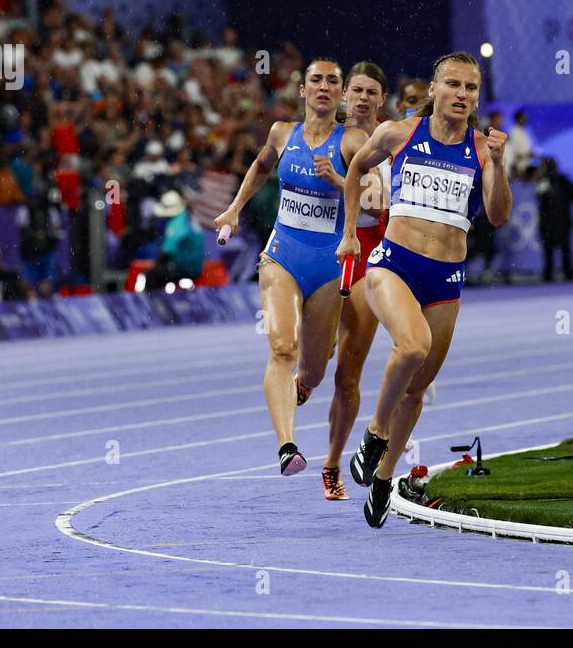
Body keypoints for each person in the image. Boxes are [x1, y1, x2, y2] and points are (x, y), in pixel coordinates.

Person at [337, 52, 511, 528]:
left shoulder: (481, 148)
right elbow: (355, 171)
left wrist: (498, 163)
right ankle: (374, 434)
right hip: (393, 264)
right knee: (413, 346)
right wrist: (350, 232)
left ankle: (384, 480)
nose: (461, 94)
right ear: (432, 89)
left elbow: (497, 215)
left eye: (470, 88)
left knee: (417, 388)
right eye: (452, 84)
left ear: (477, 97)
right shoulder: (399, 133)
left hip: (446, 279)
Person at [215, 57, 367, 477]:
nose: (323, 87)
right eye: (315, 80)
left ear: (340, 93)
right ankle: (287, 446)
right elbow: (262, 165)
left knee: (315, 368)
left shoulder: (353, 140)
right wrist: (233, 209)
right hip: (283, 253)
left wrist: (340, 185)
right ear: (301, 90)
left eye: (332, 82)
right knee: (283, 347)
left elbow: (373, 191)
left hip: (329, 264)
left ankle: (304, 384)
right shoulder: (282, 133)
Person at [321, 61, 389, 500]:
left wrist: (339, 181)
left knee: (348, 375)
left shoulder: (394, 139)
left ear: (381, 99)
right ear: (345, 94)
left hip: (370, 257)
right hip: (324, 251)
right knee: (311, 354)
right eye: (357, 90)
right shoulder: (321, 134)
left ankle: (331, 465)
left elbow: (381, 208)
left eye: (371, 92)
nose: (363, 98)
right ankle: (306, 372)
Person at [144, 189, 205, 289]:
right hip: (196, 266)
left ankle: (155, 303)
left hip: (185, 268)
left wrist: (156, 266)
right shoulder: (189, 218)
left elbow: (167, 250)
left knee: (152, 276)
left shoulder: (176, 223)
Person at [537, 157, 573, 281]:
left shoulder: (555, 180)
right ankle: (567, 273)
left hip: (555, 220)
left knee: (553, 249)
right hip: (559, 219)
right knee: (562, 248)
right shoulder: (559, 180)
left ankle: (551, 275)